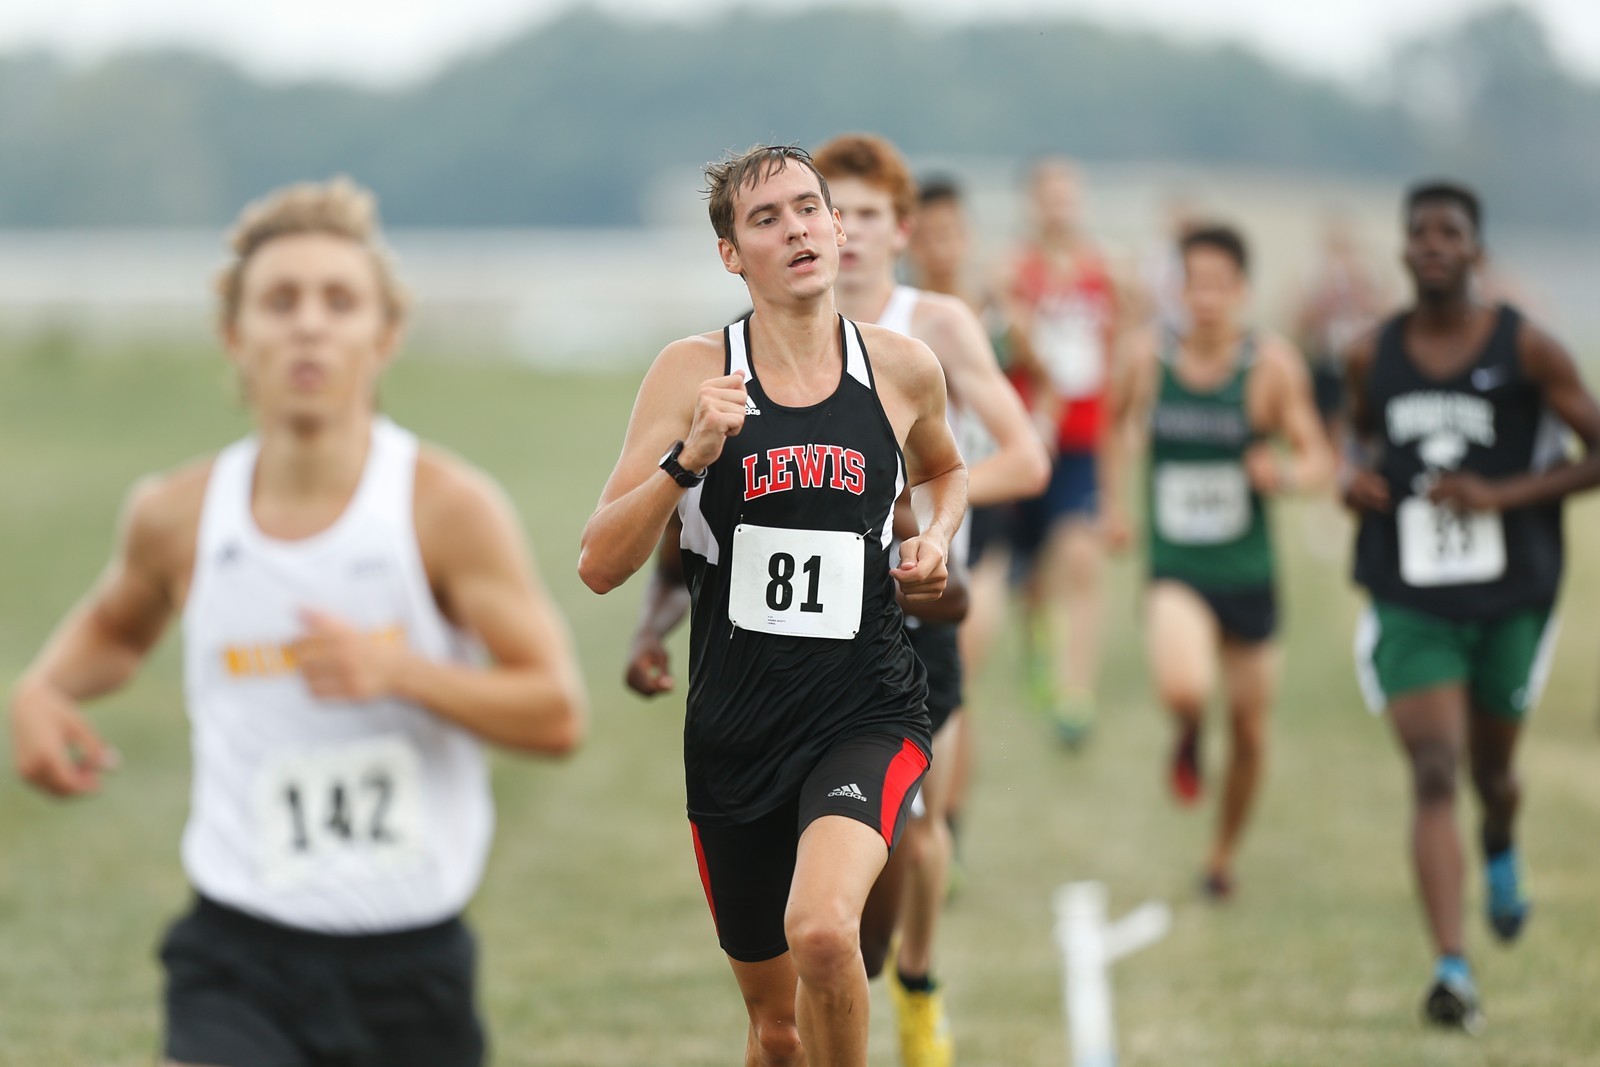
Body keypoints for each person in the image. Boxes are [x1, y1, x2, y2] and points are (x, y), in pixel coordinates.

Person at [7, 177, 588, 1067]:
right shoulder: (177, 512)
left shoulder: (445, 507)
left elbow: (555, 712)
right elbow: (116, 630)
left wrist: (397, 671)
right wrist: (42, 690)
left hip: (412, 962)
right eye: (280, 301)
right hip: (236, 950)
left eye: (338, 300)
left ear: (383, 335)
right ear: (237, 337)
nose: (309, 324)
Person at [580, 144, 967, 1067]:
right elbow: (599, 562)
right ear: (730, 255)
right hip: (736, 734)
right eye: (766, 218)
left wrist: (936, 538)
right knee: (777, 1031)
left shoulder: (904, 369)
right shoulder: (690, 374)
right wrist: (688, 461)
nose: (795, 228)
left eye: (808, 209)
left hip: (866, 710)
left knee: (828, 933)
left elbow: (947, 469)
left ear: (838, 228)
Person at [1342, 181, 1600, 1031]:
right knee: (1434, 768)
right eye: (1418, 232)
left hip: (1512, 594)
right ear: (1404, 249)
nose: (1432, 244)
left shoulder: (1529, 350)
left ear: (1476, 251)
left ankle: (1499, 840)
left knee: (1492, 770)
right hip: (1409, 591)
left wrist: (1506, 494)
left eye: (1449, 232)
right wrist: (1356, 478)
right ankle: (1453, 968)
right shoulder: (1369, 353)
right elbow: (1355, 437)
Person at [816, 132, 1047, 1067]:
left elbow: (1026, 457)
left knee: (919, 821)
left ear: (901, 230)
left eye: (869, 216)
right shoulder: (782, 322)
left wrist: (924, 512)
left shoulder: (939, 324)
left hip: (924, 608)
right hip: (821, 623)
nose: (851, 233)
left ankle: (917, 979)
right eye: (834, 213)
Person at [1103, 224, 1332, 901]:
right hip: (1176, 564)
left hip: (1249, 574)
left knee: (1253, 732)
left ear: (1242, 290)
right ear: (1177, 287)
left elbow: (1318, 456)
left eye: (1218, 285)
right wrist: (1114, 505)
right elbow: (1114, 426)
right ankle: (1187, 729)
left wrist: (1285, 475)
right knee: (1184, 686)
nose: (1204, 299)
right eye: (1192, 283)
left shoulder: (1271, 367)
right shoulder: (1148, 358)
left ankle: (1222, 853)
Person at [999, 157, 1122, 743]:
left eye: (1069, 195)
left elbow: (1121, 354)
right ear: (1032, 203)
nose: (1060, 206)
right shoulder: (1011, 274)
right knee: (1031, 575)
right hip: (1025, 440)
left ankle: (1077, 695)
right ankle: (1040, 641)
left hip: (1082, 444)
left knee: (1080, 559)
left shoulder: (1108, 274)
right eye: (1049, 196)